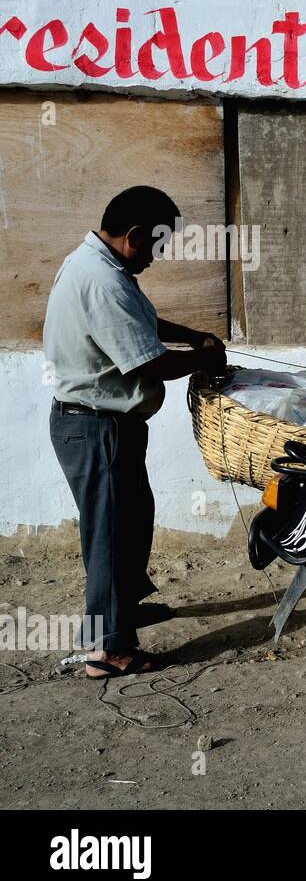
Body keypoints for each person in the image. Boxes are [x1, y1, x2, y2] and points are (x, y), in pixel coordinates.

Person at [43, 186, 226, 679]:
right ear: (135, 236)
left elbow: (137, 324)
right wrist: (203, 358)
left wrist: (190, 335)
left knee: (128, 520)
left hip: (99, 423)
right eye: (156, 247)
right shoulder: (102, 281)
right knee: (111, 534)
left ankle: (121, 610)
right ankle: (108, 650)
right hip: (97, 425)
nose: (156, 257)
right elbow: (151, 361)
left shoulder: (98, 267)